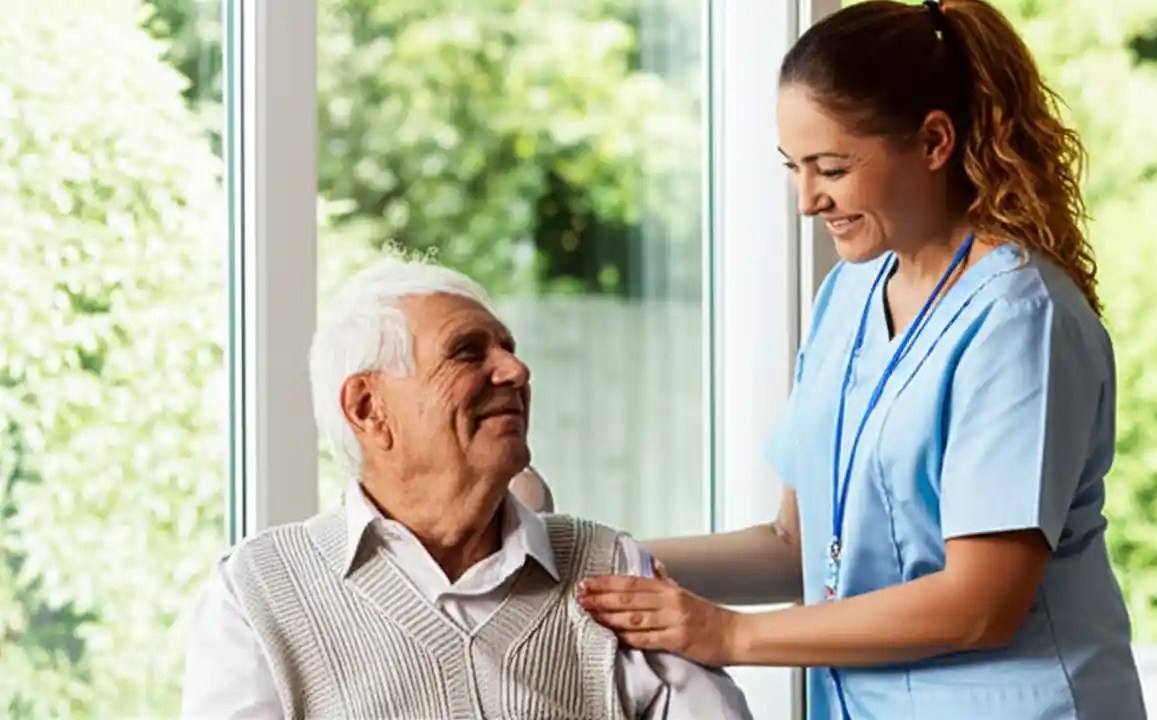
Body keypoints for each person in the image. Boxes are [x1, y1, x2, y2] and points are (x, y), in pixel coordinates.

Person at [576, 1, 1147, 718]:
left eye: (832, 168)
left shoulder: (1019, 320)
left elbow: (981, 605)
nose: (807, 202)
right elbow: (795, 546)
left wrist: (730, 634)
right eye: (794, 168)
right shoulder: (848, 292)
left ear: (935, 141)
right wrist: (592, 563)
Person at [180, 258, 753, 719]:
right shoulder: (256, 594)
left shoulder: (614, 569)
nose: (515, 371)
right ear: (368, 408)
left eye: (508, 347)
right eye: (467, 352)